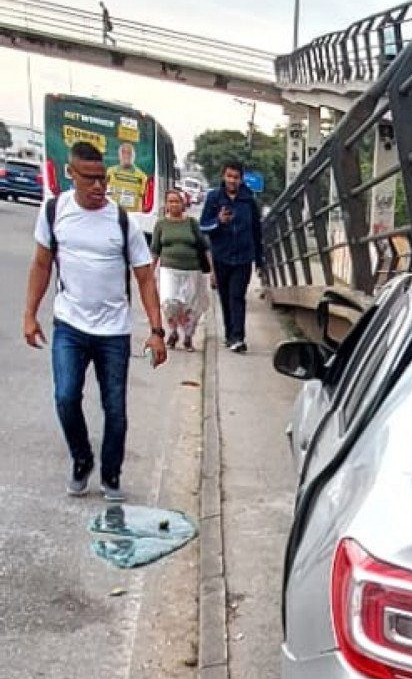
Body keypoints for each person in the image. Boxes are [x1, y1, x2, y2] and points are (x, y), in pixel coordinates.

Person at [23, 139, 167, 499]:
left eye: (102, 178)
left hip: (114, 332)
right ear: (71, 174)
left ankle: (111, 475)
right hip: (69, 326)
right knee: (66, 397)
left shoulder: (122, 221)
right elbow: (42, 265)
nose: (98, 186)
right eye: (89, 179)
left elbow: (145, 276)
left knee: (115, 409)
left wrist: (156, 331)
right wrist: (30, 315)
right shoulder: (54, 211)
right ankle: (81, 458)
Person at [199, 160, 262, 353]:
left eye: (236, 177)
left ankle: (238, 337)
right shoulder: (214, 198)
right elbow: (203, 226)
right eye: (229, 176)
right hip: (221, 257)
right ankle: (229, 334)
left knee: (237, 296)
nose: (232, 180)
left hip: (243, 257)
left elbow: (257, 231)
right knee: (225, 298)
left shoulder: (249, 201)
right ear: (223, 176)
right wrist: (218, 221)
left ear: (241, 179)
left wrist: (260, 260)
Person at [151, 186, 210, 350]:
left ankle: (188, 337)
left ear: (183, 204)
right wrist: (149, 273)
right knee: (169, 302)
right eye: (170, 202)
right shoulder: (161, 224)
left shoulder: (192, 223)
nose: (174, 205)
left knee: (190, 306)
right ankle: (173, 331)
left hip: (192, 270)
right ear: (166, 204)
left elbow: (204, 248)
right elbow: (155, 250)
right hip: (169, 269)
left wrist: (212, 273)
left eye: (177, 201)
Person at [106, 139, 149, 213]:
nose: (126, 155)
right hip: (112, 214)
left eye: (129, 153)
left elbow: (144, 200)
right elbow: (105, 193)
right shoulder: (110, 172)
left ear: (134, 156)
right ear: (119, 155)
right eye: (123, 152)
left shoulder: (142, 177)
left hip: (132, 217)